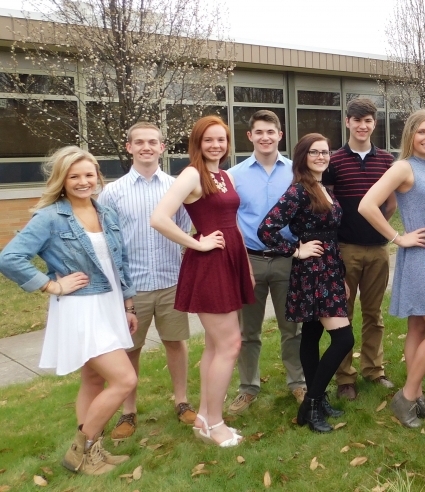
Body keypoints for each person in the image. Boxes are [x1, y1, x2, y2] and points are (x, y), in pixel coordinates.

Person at [0, 146, 137, 474]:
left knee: (92, 380)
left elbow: (119, 263)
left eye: (89, 174)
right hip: (81, 309)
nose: (82, 181)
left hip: (109, 304)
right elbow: (9, 258)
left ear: (98, 177)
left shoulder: (105, 213)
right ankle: (81, 451)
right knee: (124, 379)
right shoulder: (49, 216)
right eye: (74, 176)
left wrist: (128, 305)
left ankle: (94, 452)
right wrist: (52, 285)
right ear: (61, 180)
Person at [151, 115, 254, 448]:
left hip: (231, 261)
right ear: (198, 143)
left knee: (215, 345)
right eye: (209, 140)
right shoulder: (192, 174)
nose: (216, 145)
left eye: (221, 139)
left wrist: (246, 265)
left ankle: (207, 418)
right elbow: (159, 218)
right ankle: (215, 423)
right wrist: (197, 243)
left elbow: (232, 222)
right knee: (230, 344)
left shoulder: (224, 176)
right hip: (209, 265)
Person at [98, 122, 197, 440]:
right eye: (139, 142)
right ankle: (128, 411)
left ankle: (181, 401)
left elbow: (184, 230)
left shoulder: (175, 186)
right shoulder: (112, 192)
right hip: (132, 287)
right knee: (130, 349)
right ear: (129, 148)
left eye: (152, 142)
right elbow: (108, 240)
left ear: (162, 147)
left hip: (170, 280)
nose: (146, 147)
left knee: (175, 343)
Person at [359, 109, 425, 428]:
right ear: (410, 135)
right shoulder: (402, 167)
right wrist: (398, 237)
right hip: (421, 255)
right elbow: (367, 205)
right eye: (422, 132)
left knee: (418, 328)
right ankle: (407, 397)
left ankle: (418, 397)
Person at [258, 133, 355, 433]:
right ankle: (311, 404)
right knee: (344, 339)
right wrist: (295, 250)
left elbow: (331, 236)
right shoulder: (299, 191)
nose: (321, 157)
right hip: (312, 272)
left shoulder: (323, 188)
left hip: (329, 269)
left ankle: (316, 399)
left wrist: (341, 275)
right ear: (303, 156)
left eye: (325, 152)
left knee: (312, 335)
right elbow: (267, 229)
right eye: (314, 152)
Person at [228, 110, 306, 415]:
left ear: (280, 135)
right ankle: (247, 388)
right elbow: (231, 219)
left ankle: (297, 382)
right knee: (248, 331)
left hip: (289, 260)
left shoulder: (295, 171)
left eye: (270, 132)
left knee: (293, 329)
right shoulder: (234, 176)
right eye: (259, 132)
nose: (265, 137)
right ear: (250, 137)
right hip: (251, 261)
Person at [324, 98, 397, 401]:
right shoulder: (334, 160)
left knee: (374, 314)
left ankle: (374, 370)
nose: (362, 126)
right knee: (344, 314)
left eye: (368, 120)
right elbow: (327, 204)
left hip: (378, 250)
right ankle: (345, 378)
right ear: (347, 122)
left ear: (374, 124)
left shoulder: (387, 161)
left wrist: (378, 226)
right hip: (345, 249)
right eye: (357, 120)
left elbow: (391, 203)